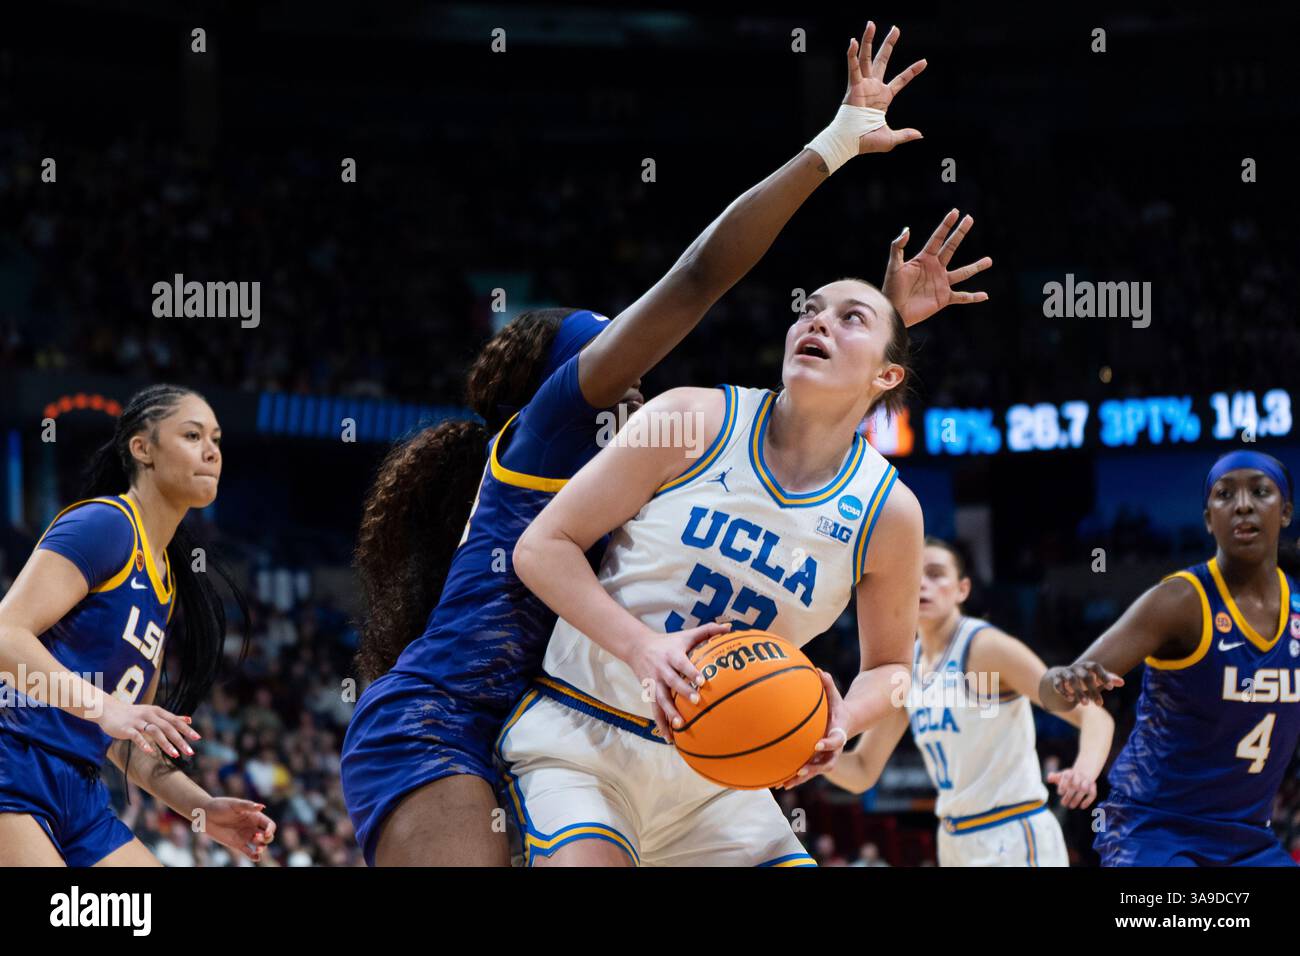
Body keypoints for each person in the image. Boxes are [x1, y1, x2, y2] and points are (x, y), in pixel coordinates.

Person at [342, 18, 990, 866]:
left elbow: (814, 413)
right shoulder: (560, 424)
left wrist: (884, 325)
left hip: (592, 734)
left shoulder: (666, 458)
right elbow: (698, 281)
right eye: (618, 346)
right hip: (453, 718)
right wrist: (833, 145)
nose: (642, 361)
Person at [0, 385, 276, 866]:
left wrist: (201, 810)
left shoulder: (165, 583)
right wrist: (104, 708)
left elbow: (129, 742)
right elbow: (5, 635)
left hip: (79, 793)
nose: (211, 450)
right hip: (14, 760)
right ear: (142, 448)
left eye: (216, 438)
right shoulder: (105, 526)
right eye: (192, 435)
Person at [1040, 450, 1300, 867]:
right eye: (1225, 494)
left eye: (1260, 491)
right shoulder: (1178, 601)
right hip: (1154, 832)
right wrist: (1065, 681)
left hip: (1249, 838)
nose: (1243, 504)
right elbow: (1053, 693)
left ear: (1285, 512)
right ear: (1208, 518)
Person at [825, 538, 1113, 866]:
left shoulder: (987, 648)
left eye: (935, 574)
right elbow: (863, 770)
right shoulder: (903, 668)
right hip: (953, 840)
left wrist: (1084, 770)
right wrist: (812, 752)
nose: (921, 583)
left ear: (962, 590)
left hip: (1013, 833)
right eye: (914, 575)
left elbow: (1094, 715)